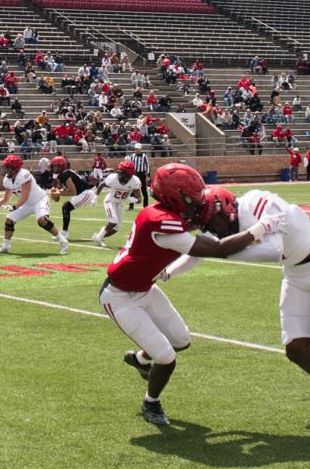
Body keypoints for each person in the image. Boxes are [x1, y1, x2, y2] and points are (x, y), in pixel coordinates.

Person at [169, 185, 310, 420]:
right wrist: (165, 274)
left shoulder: (257, 202)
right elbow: (198, 253)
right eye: (209, 227)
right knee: (295, 350)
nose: (216, 231)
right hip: (294, 274)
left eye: (215, 224)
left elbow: (273, 250)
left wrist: (223, 250)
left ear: (227, 209)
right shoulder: (222, 219)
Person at [101, 164, 276, 426]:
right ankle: (151, 402)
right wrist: (259, 230)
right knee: (166, 357)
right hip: (119, 296)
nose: (197, 199)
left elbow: (193, 223)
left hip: (146, 288)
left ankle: (139, 359)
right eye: (191, 195)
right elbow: (215, 249)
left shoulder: (165, 213)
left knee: (181, 341)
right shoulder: (160, 222)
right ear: (175, 196)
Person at [0, 154, 68, 254]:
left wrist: (14, 207)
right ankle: (6, 246)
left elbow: (24, 196)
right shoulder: (7, 180)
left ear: (14, 168)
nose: (6, 170)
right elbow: (6, 198)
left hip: (39, 200)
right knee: (9, 220)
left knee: (42, 220)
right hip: (27, 204)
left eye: (8, 167)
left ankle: (63, 241)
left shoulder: (24, 175)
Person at [92, 159, 141, 247]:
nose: (121, 176)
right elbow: (102, 185)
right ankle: (99, 238)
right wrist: (95, 197)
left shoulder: (135, 181)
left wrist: (133, 200)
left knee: (116, 228)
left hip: (120, 203)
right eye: (120, 173)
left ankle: (98, 236)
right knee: (113, 221)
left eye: (124, 174)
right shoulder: (112, 178)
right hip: (110, 201)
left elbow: (139, 199)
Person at [47, 155, 96, 237]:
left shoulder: (64, 174)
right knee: (66, 207)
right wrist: (58, 191)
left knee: (66, 207)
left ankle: (64, 232)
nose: (53, 169)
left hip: (86, 193)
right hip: (83, 193)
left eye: (55, 167)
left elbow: (73, 192)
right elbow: (69, 190)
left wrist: (58, 193)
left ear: (60, 166)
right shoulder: (64, 173)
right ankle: (64, 232)